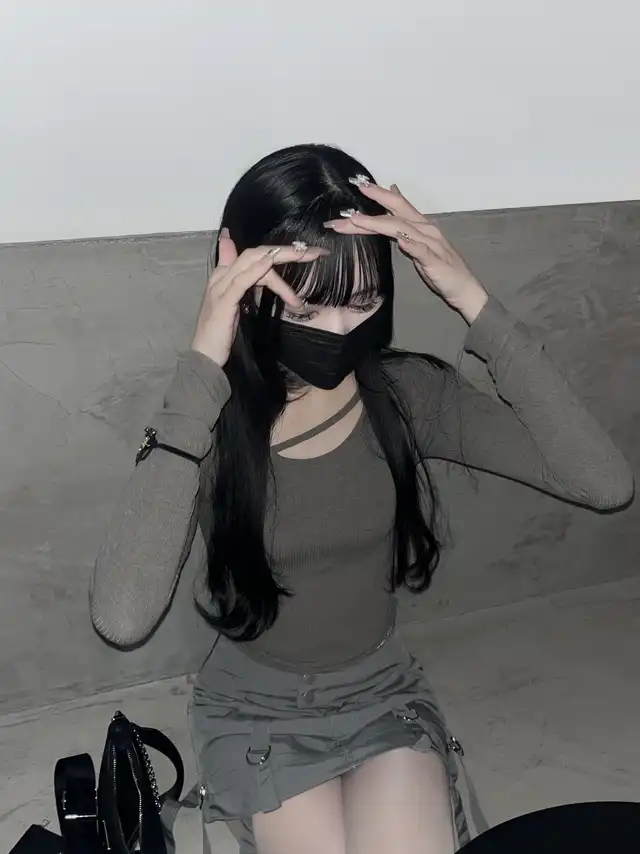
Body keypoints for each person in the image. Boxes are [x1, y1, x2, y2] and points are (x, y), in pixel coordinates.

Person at [90, 144, 634, 854]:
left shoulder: (407, 396)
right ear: (249, 291)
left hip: (381, 693)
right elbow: (122, 617)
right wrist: (201, 367)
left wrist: (473, 299)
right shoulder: (210, 424)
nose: (342, 333)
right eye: (311, 308)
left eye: (363, 303)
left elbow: (603, 482)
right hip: (256, 710)